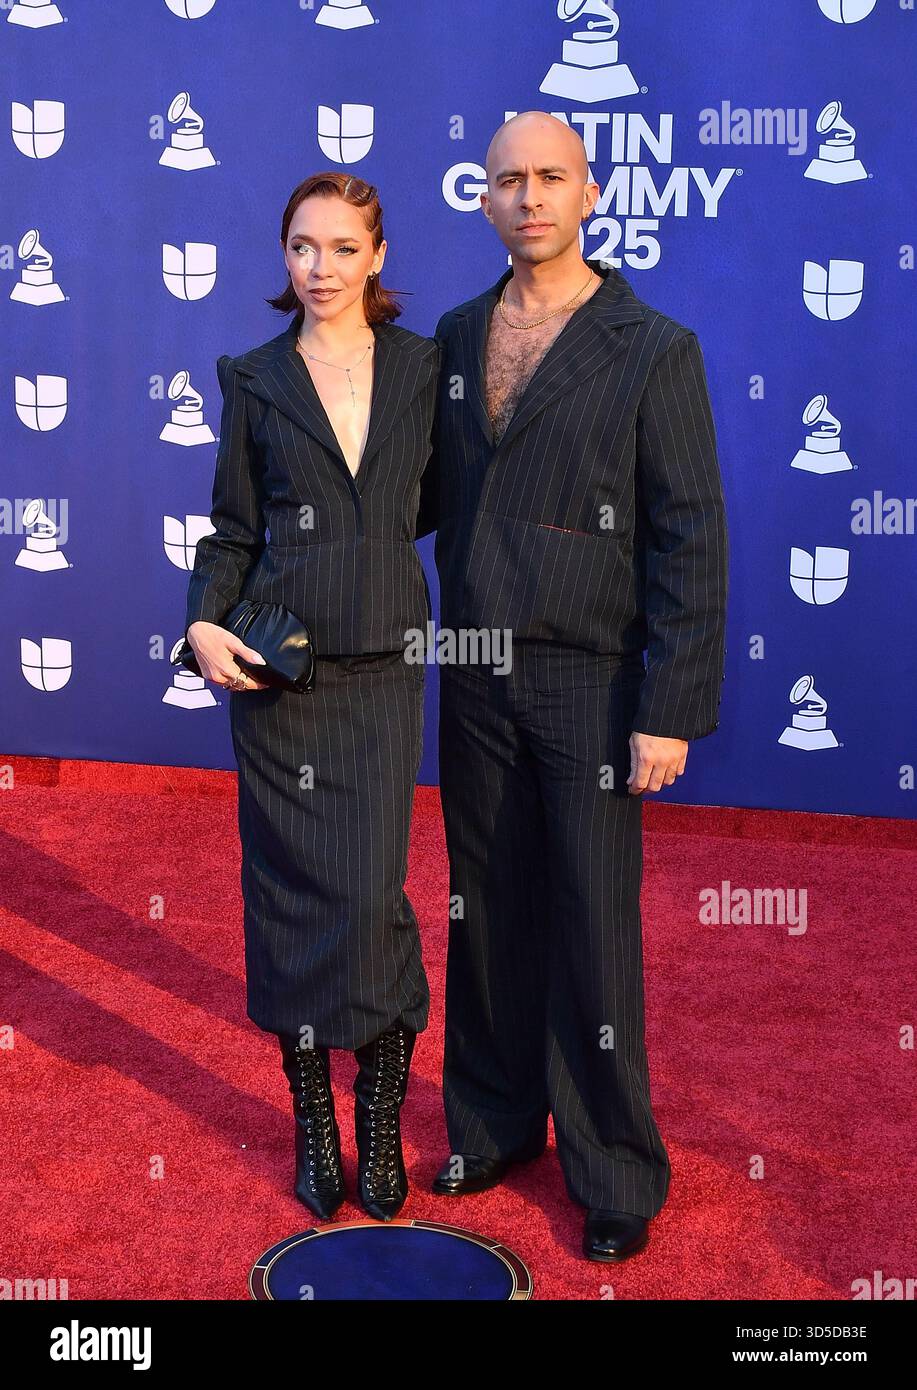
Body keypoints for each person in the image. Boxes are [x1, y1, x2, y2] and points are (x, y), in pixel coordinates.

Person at [417, 112, 728, 1261]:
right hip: (471, 671)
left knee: (591, 926)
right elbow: (412, 494)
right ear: (485, 199)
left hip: (591, 679)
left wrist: (668, 705)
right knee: (482, 910)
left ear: (589, 193)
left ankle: (613, 1169)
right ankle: (492, 1124)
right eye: (507, 180)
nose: (528, 196)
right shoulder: (452, 337)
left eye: (550, 177)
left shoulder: (652, 345)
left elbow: (686, 532)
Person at [184, 172, 440, 1223]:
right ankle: (311, 1117)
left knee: (370, 897)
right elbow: (231, 527)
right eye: (302, 247)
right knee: (288, 899)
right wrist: (203, 618)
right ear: (282, 256)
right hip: (276, 672)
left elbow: (459, 500)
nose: (320, 268)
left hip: (381, 665)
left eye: (341, 248)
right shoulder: (251, 377)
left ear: (376, 255)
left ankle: (378, 1115)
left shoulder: (431, 368)